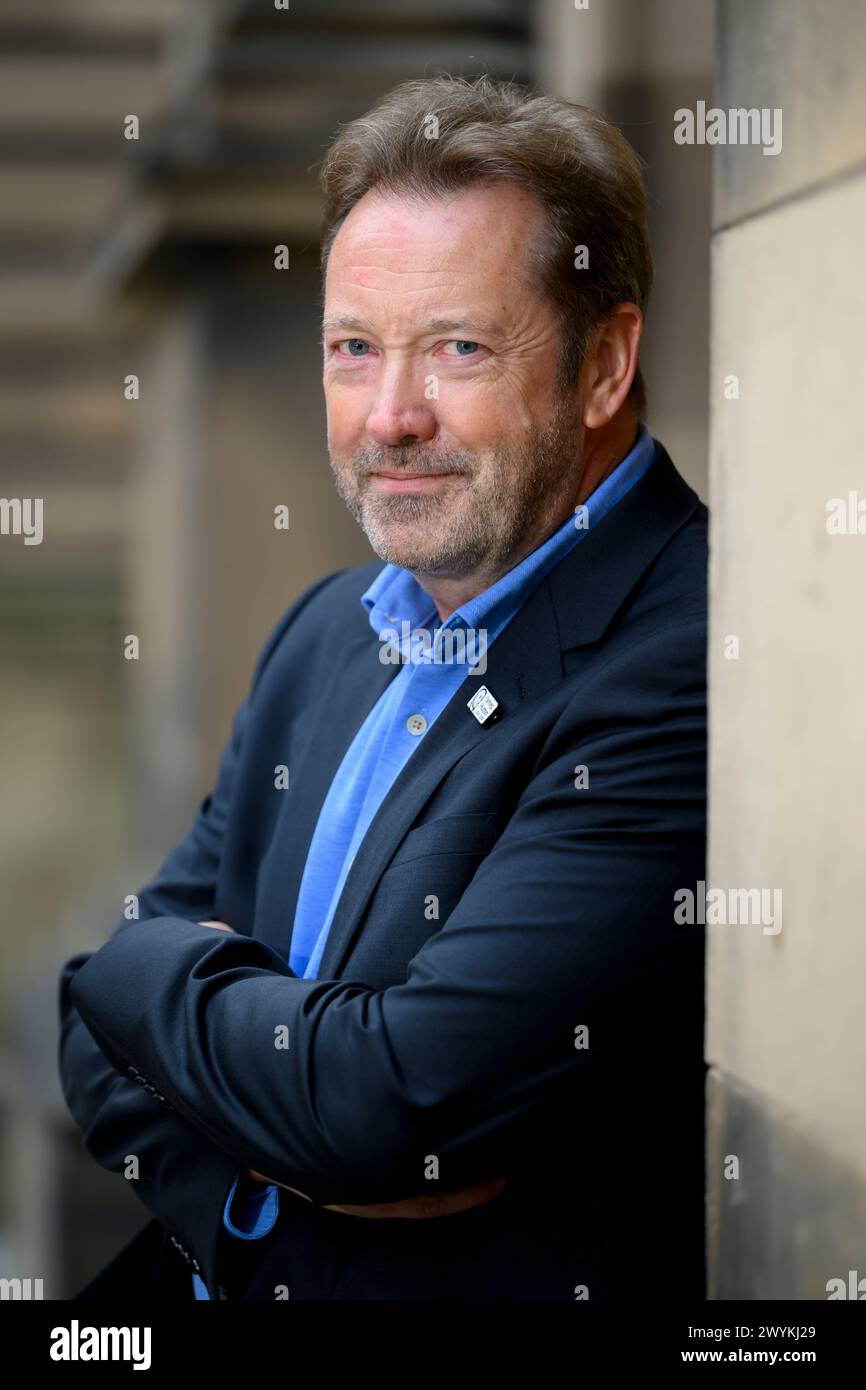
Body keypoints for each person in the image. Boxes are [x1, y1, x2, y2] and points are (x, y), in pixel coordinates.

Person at [58, 73, 707, 1301]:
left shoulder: (692, 657)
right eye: (353, 349)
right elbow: (94, 1033)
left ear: (604, 363)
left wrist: (148, 978)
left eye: (458, 347)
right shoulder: (327, 631)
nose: (390, 416)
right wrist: (262, 1183)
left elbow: (386, 1101)